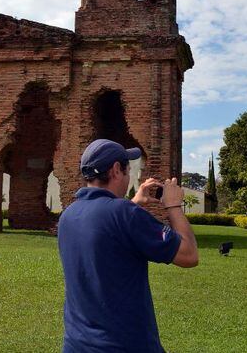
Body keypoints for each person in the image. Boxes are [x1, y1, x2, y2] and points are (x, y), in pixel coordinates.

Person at [57, 139, 199, 352]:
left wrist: (132, 202)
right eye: (128, 170)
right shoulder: (125, 214)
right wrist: (174, 205)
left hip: (77, 344)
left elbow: (107, 230)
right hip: (124, 345)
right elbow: (189, 255)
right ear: (116, 170)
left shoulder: (69, 215)